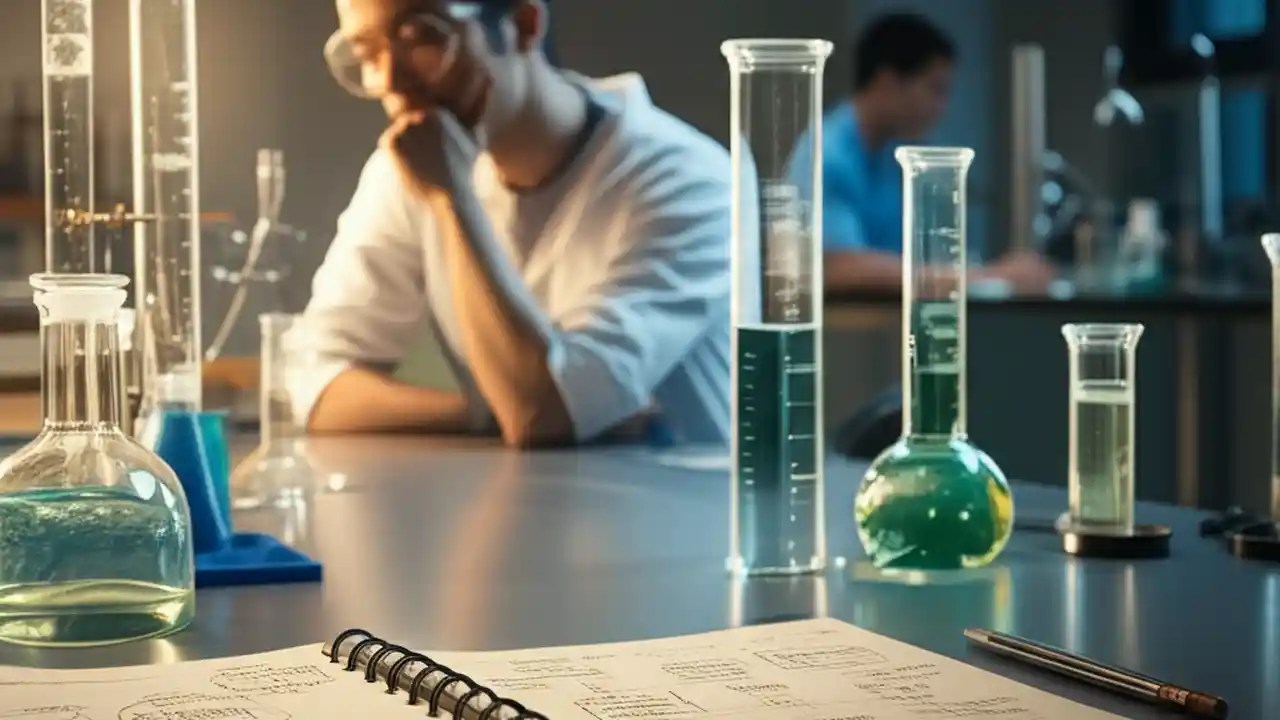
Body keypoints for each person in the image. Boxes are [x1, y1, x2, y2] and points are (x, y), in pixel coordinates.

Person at [298, 0, 731, 447]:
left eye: (423, 39)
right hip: (533, 504)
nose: (391, 82)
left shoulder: (686, 178)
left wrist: (452, 200)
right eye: (367, 53)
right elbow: (314, 380)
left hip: (686, 506)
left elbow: (545, 412)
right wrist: (484, 411)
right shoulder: (413, 167)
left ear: (524, 25)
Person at [794, 13, 1055, 292]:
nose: (941, 107)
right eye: (935, 89)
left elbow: (910, 259)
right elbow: (836, 266)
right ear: (888, 81)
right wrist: (985, 276)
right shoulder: (826, 154)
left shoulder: (890, 152)